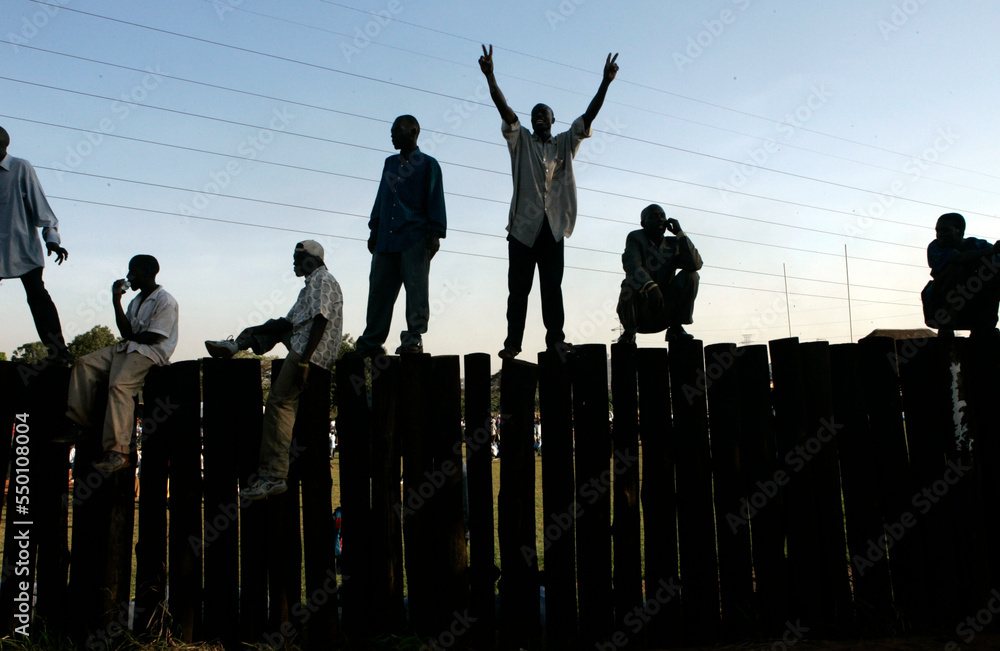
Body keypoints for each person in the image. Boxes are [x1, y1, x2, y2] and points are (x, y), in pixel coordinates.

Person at [479, 45, 619, 360]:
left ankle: (555, 339)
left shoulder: (566, 143)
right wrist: (491, 78)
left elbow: (589, 114)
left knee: (551, 289)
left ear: (554, 120)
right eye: (535, 114)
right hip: (522, 230)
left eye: (545, 114)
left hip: (553, 228)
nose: (539, 117)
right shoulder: (521, 141)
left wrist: (606, 83)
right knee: (518, 291)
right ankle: (512, 343)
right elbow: (505, 111)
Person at [204, 240, 344, 500]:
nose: (293, 263)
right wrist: (255, 329)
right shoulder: (312, 284)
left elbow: (321, 320)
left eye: (297, 258)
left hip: (310, 352)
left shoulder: (322, 280)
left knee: (280, 405)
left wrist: (303, 363)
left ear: (312, 260)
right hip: (303, 344)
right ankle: (236, 345)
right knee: (273, 327)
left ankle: (273, 476)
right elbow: (287, 322)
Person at [59, 255, 178, 473]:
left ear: (147, 273)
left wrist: (130, 341)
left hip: (149, 352)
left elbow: (153, 337)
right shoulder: (136, 301)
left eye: (134, 272)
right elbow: (125, 332)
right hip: (128, 346)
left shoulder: (165, 300)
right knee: (84, 364)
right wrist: (116, 301)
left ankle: (119, 451)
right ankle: (79, 424)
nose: (129, 276)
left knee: (120, 385)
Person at [354, 115, 446, 356]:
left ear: (413, 130)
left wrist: (435, 234)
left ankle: (413, 338)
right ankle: (371, 341)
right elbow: (382, 196)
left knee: (416, 290)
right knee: (379, 291)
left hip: (414, 236)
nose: (392, 134)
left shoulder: (428, 164)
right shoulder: (389, 163)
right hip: (385, 237)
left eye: (397, 129)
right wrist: (374, 227)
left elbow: (435, 198)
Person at [0, 125, 70, 362]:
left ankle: (58, 351)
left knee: (37, 297)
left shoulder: (20, 168)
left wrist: (52, 241)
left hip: (23, 248)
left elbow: (42, 210)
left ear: (3, 145)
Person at [616, 204, 702, 344]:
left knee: (691, 276)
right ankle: (629, 333)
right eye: (653, 217)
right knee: (629, 283)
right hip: (641, 310)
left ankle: (676, 328)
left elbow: (695, 265)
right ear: (643, 223)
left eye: (662, 216)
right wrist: (651, 287)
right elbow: (632, 265)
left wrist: (680, 234)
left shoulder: (673, 244)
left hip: (665, 309)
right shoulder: (635, 238)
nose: (660, 220)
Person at [921, 212, 1000, 338]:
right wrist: (992, 251)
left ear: (959, 231)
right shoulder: (935, 247)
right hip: (941, 307)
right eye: (938, 230)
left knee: (994, 270)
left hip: (972, 304)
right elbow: (958, 258)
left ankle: (984, 327)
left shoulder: (978, 245)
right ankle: (946, 327)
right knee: (955, 269)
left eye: (945, 230)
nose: (940, 235)